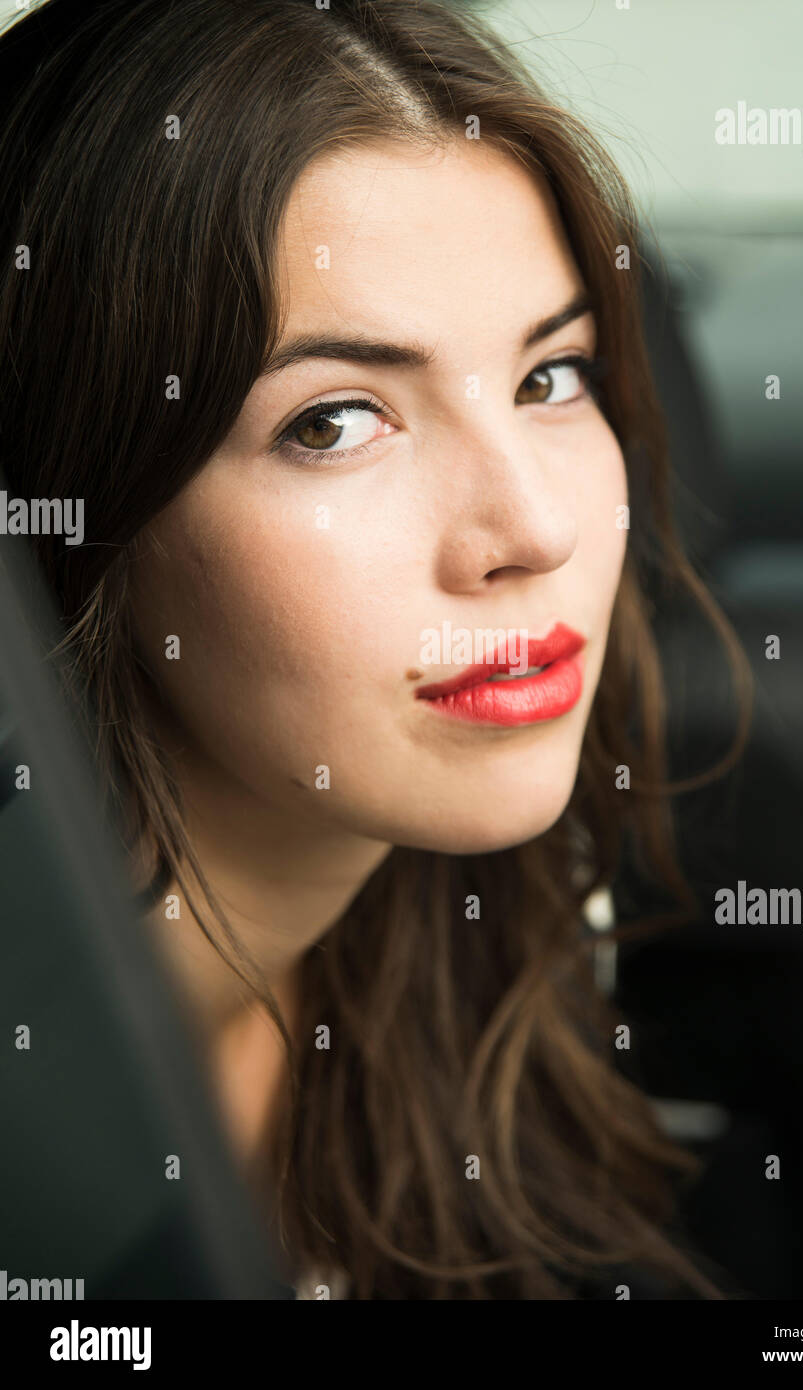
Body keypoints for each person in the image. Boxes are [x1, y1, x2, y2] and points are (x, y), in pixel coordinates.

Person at [0, 0, 748, 1299]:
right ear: (82, 512)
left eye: (550, 376)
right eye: (336, 420)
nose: (532, 525)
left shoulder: (493, 917)